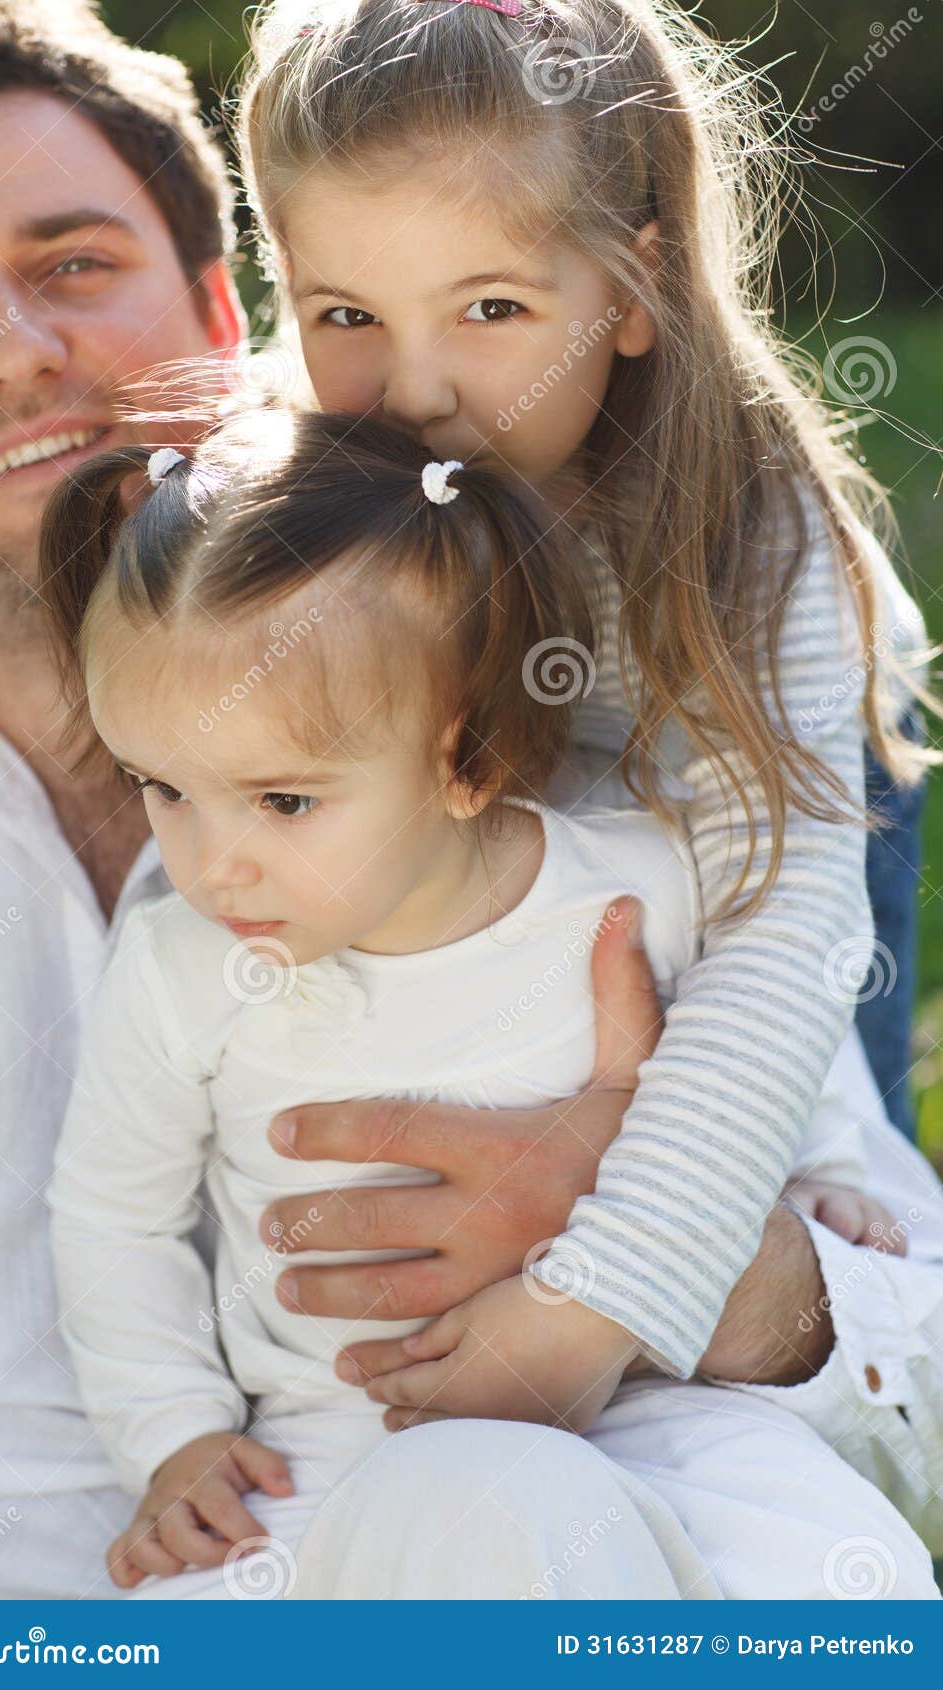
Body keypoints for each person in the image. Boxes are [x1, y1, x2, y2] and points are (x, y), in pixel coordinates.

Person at [0, 0, 938, 1601]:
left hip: (571, 1443)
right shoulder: (291, 528)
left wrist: (652, 1264)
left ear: (217, 307)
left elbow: (793, 997)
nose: (417, 392)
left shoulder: (716, 602)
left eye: (75, 263)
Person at [39, 405, 903, 1592]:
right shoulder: (182, 967)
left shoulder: (632, 886)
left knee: (830, 1572)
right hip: (330, 1438)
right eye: (163, 787)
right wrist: (176, 1435)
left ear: (466, 760)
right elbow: (110, 1218)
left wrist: (815, 1178)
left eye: (281, 802)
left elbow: (751, 1060)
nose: (210, 863)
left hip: (646, 1404)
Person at [229, 0, 938, 1389]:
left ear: (626, 292)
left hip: (772, 782)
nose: (413, 386)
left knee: (819, 1089)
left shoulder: (745, 527)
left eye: (491, 308)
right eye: (345, 313)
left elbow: (782, 925)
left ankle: (833, 1185)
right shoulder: (299, 492)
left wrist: (597, 1299)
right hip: (553, 841)